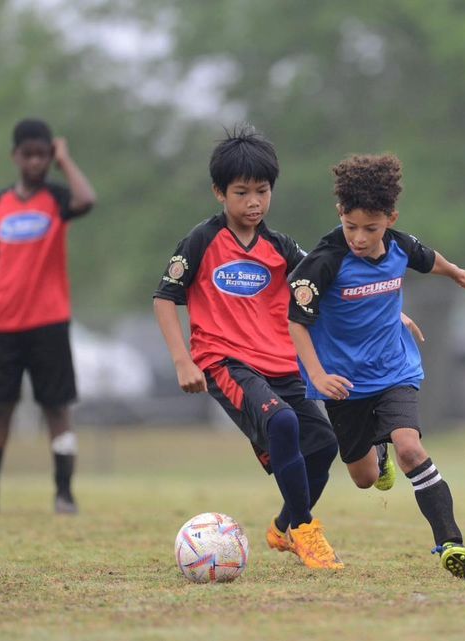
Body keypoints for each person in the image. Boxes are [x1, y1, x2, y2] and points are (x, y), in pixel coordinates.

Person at [153, 127, 343, 570]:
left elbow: (323, 286)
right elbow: (164, 299)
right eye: (242, 193)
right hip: (225, 362)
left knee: (324, 445)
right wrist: (183, 361)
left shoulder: (280, 247)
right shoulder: (201, 240)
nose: (254, 202)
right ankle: (306, 531)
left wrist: (391, 314)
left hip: (281, 364)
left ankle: (283, 526)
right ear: (220, 192)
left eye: (262, 191)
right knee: (282, 422)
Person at [287, 153, 465, 579]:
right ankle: (378, 450)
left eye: (371, 228)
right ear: (339, 213)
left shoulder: (399, 245)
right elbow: (297, 322)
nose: (359, 238)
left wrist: (456, 273)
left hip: (395, 369)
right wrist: (317, 375)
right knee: (364, 477)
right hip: (343, 383)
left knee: (410, 447)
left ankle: (451, 542)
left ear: (390, 220)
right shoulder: (323, 262)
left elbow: (428, 258)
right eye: (351, 226)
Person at [0, 118, 96, 515]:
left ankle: (64, 493)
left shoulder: (57, 197)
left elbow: (87, 199)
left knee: (56, 408)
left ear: (49, 156)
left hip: (48, 322)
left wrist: (65, 160)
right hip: (4, 323)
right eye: (28, 155)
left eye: (42, 155)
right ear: (15, 156)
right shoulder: (0, 202)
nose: (35, 162)